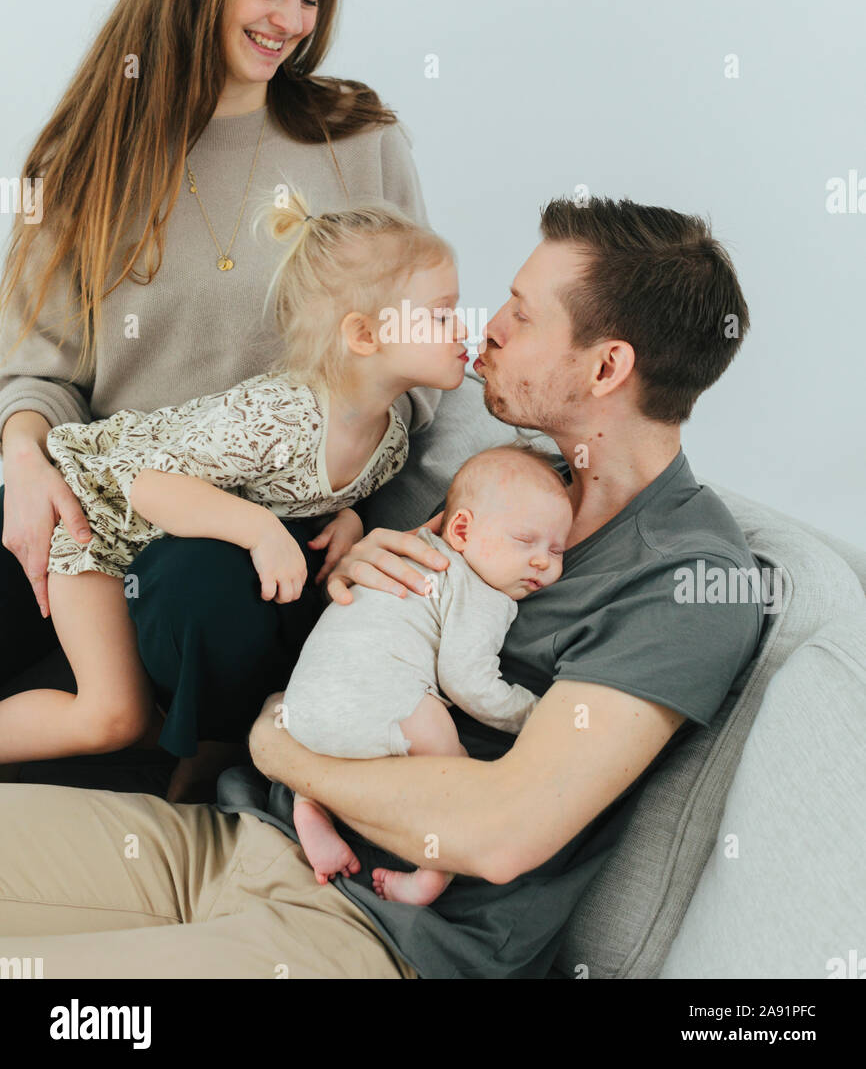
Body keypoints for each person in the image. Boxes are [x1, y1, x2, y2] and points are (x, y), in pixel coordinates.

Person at [0, 196, 768, 979]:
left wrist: (278, 744)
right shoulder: (513, 482)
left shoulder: (685, 581)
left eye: (522, 314)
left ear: (608, 367)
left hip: (361, 931)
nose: (489, 325)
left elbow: (502, 833)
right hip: (231, 836)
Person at [0, 0, 441, 796]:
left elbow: (417, 355)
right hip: (109, 500)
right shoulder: (82, 155)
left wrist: (365, 505)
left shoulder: (359, 141)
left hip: (260, 541)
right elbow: (36, 371)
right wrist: (27, 465)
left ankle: (178, 759)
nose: (290, 20)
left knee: (195, 587)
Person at [0, 192, 466, 768]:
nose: (462, 327)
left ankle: (195, 758)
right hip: (96, 513)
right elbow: (146, 486)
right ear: (365, 336)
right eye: (442, 314)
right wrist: (261, 530)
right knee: (111, 717)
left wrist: (345, 519)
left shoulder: (390, 438)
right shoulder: (280, 416)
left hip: (158, 543)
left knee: (144, 721)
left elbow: (321, 492)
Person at [282, 441, 574, 904]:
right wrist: (537, 714)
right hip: (374, 702)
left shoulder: (411, 547)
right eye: (526, 541)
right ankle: (430, 875)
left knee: (354, 727)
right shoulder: (482, 591)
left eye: (557, 550)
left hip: (300, 711)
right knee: (451, 766)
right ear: (461, 529)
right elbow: (468, 681)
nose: (544, 561)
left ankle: (309, 804)